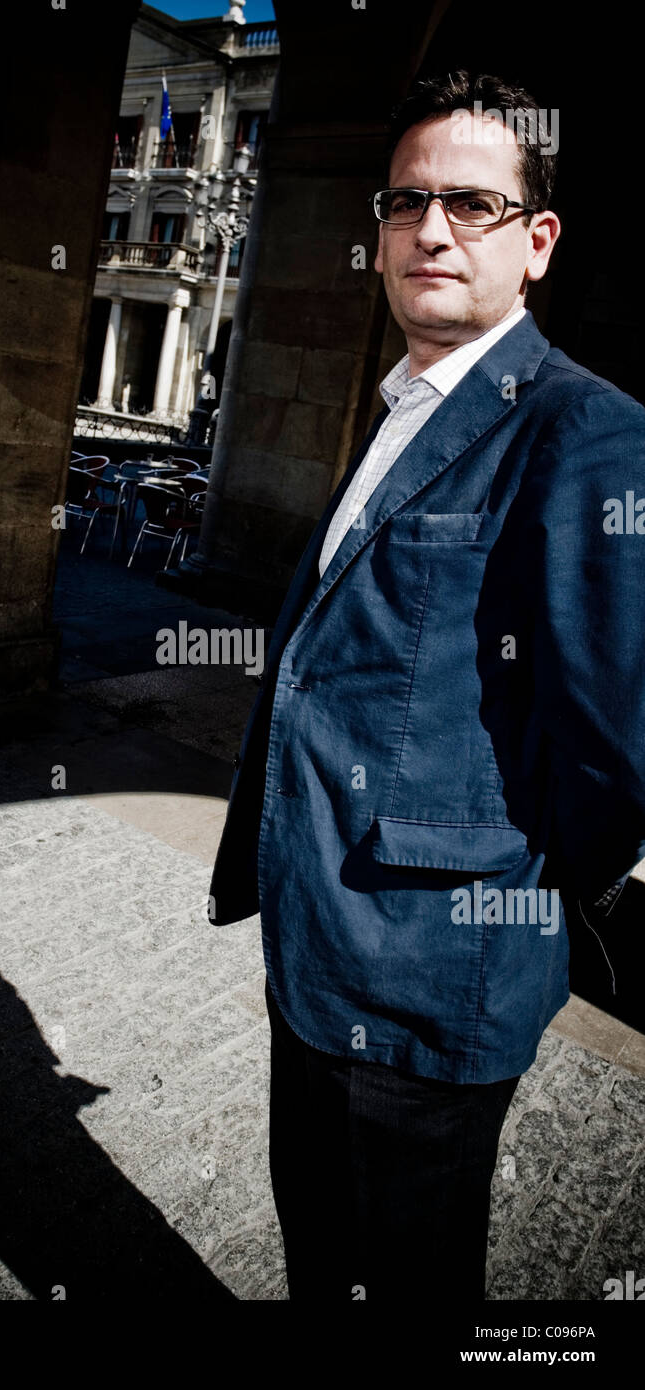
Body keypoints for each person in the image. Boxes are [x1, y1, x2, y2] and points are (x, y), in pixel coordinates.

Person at [208, 70, 645, 1301]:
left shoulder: (586, 433)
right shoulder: (409, 401)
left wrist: (519, 890)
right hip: (321, 951)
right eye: (407, 201)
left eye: (471, 203)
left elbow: (623, 741)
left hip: (427, 976)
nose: (432, 230)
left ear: (538, 242)